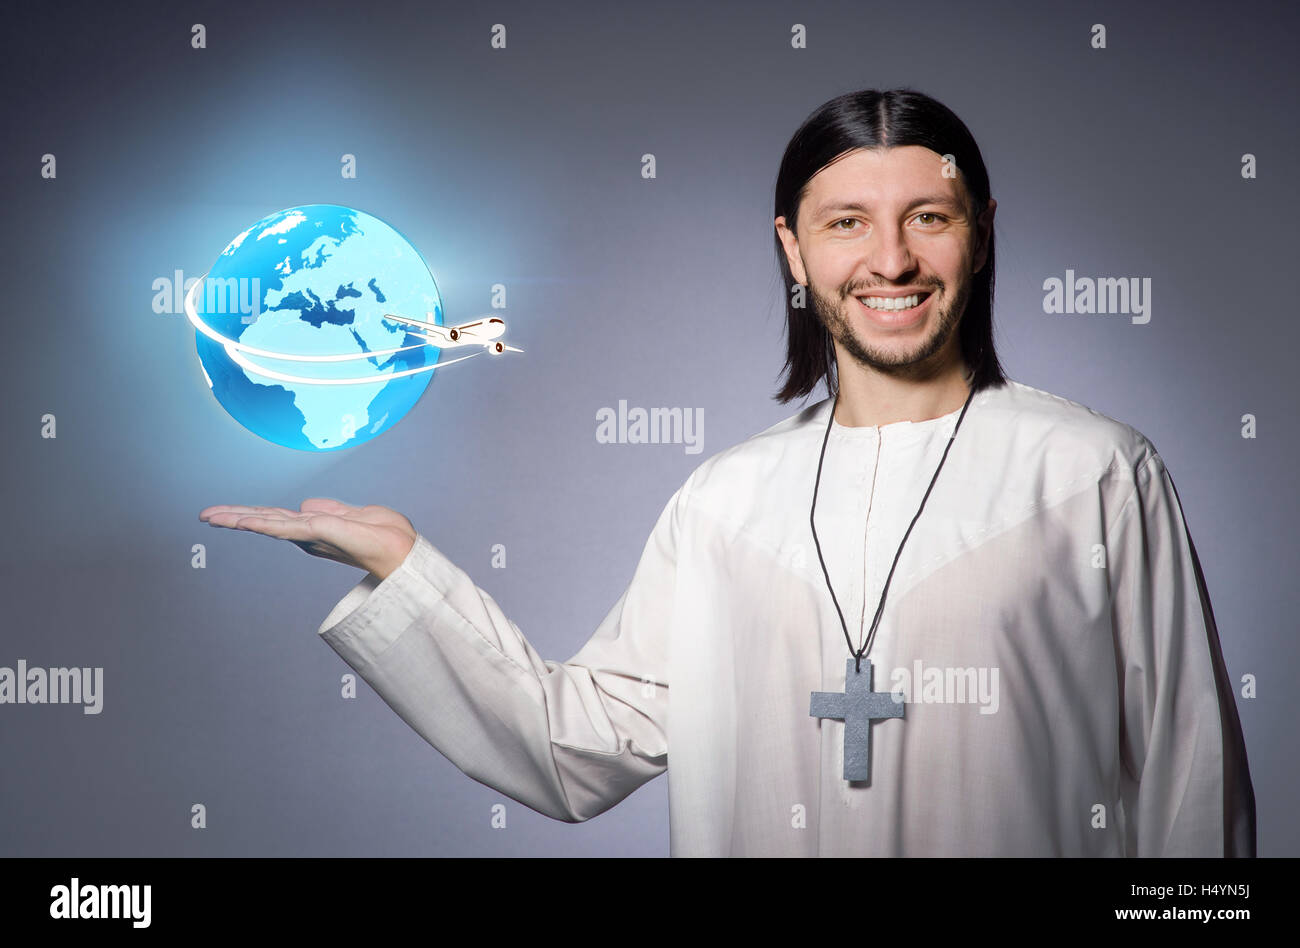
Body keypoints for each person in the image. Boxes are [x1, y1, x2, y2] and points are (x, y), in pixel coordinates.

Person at [200, 88, 1255, 857]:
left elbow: (1188, 790)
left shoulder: (1091, 476)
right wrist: (407, 571)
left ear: (978, 239)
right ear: (795, 253)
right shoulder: (724, 504)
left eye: (926, 218)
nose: (889, 260)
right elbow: (575, 751)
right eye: (847, 224)